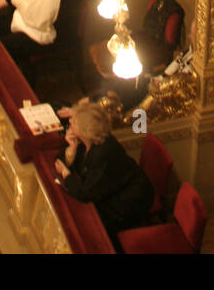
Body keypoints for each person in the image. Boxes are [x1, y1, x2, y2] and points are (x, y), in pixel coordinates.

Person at [55, 100, 155, 246]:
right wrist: (71, 151)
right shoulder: (89, 140)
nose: (69, 121)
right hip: (113, 190)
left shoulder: (103, 153)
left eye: (74, 122)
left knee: (88, 226)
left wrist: (65, 173)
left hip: (130, 199)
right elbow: (69, 162)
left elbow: (85, 193)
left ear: (85, 130)